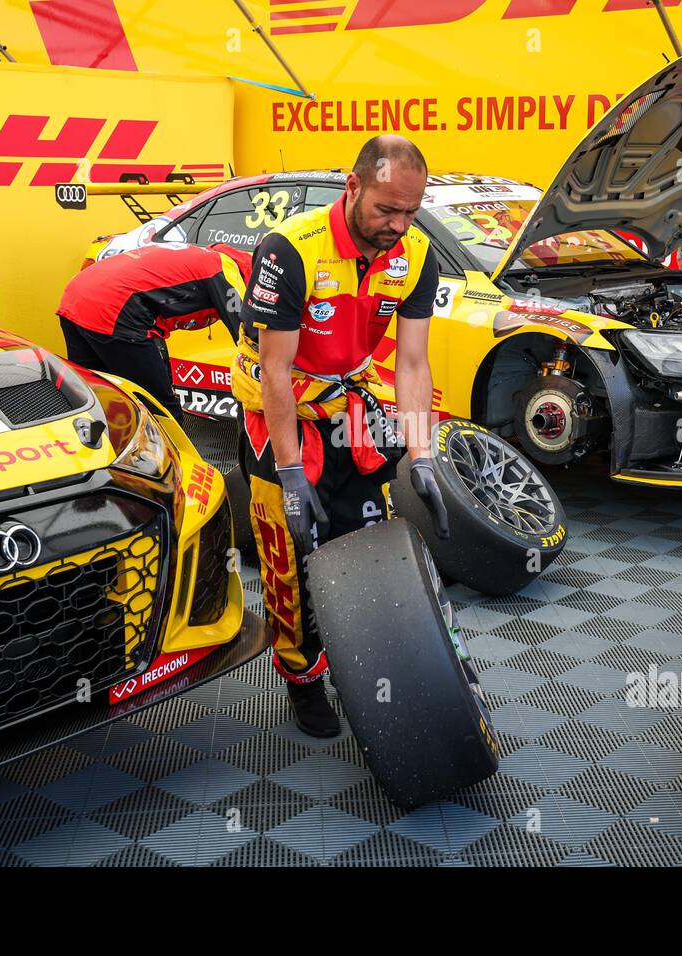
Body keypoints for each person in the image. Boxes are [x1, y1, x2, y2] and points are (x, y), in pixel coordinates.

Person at [231, 135, 448, 737]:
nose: (398, 225)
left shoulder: (418, 253)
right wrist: (292, 475)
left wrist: (422, 455)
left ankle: (372, 659)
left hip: (349, 402)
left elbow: (410, 363)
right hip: (278, 410)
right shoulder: (290, 250)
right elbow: (275, 370)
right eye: (386, 209)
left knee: (364, 540)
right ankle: (301, 680)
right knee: (290, 552)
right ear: (353, 188)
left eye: (411, 211)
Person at [56, 242, 251, 421]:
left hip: (75, 297)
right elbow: (248, 336)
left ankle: (99, 455)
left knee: (94, 400)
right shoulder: (226, 268)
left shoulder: (200, 256)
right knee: (160, 408)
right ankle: (172, 458)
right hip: (113, 307)